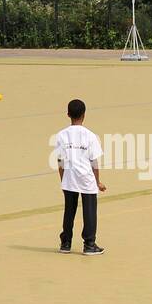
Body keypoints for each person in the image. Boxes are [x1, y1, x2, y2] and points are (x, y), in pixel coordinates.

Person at [55, 99, 105, 255]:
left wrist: (63, 180)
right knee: (89, 211)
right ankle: (89, 244)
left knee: (69, 211)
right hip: (86, 179)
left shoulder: (61, 135)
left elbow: (60, 161)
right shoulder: (90, 136)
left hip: (69, 178)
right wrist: (97, 182)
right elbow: (94, 162)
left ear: (68, 114)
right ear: (84, 115)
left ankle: (66, 243)